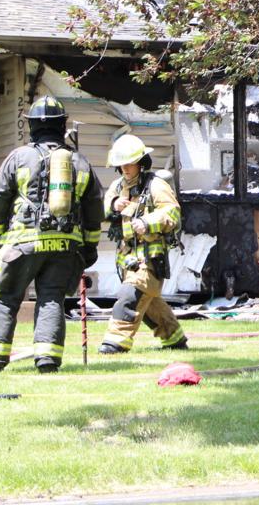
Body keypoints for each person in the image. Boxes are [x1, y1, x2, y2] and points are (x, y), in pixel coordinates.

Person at [0, 96, 103, 372]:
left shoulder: (19, 157)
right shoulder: (79, 161)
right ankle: (48, 359)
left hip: (23, 243)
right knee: (52, 297)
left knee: (4, 294)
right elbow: (94, 211)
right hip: (66, 246)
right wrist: (89, 249)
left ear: (32, 127)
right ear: (61, 125)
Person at [98, 134, 188, 354]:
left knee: (130, 297)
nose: (125, 169)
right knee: (150, 304)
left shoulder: (156, 185)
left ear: (141, 162)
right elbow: (101, 211)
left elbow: (172, 213)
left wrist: (147, 222)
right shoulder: (117, 187)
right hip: (126, 259)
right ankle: (174, 338)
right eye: (121, 165)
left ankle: (115, 342)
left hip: (149, 259)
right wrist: (112, 204)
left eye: (130, 163)